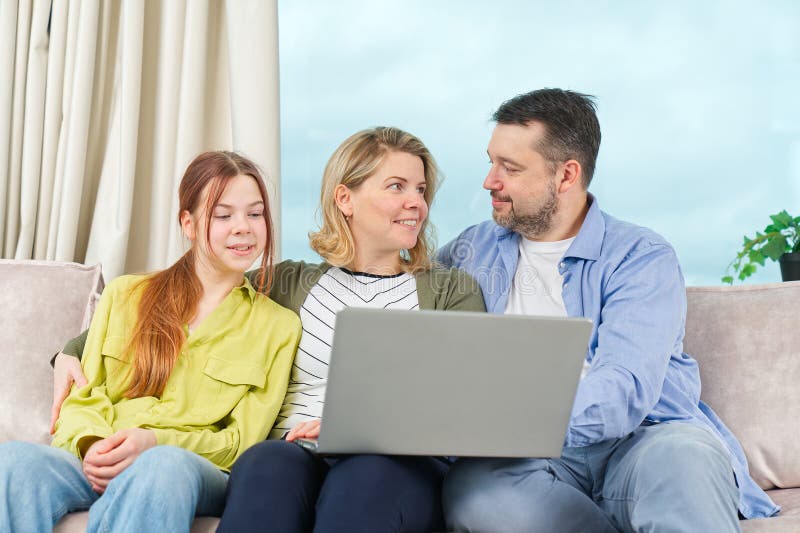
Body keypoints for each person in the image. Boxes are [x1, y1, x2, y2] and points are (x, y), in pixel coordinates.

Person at [52, 127, 486, 532]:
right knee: (265, 465)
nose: (416, 202)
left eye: (421, 190)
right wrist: (70, 351)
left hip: (389, 458)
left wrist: (359, 425)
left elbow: (464, 399)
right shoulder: (287, 283)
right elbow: (176, 309)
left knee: (364, 478)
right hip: (291, 450)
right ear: (345, 199)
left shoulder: (448, 291)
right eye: (397, 186)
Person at [435, 88, 778, 532]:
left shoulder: (640, 255)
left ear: (566, 176)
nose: (489, 181)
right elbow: (402, 304)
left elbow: (625, 387)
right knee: (475, 492)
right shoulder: (468, 251)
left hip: (644, 441)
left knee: (684, 457)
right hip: (527, 461)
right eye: (491, 161)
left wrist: (510, 424)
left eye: (511, 168)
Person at [0, 151, 301, 532]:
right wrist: (92, 445)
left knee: (161, 466)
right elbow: (83, 398)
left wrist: (154, 442)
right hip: (99, 456)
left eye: (255, 214)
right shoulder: (127, 294)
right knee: (12, 463)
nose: (243, 227)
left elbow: (240, 442)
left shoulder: (279, 327)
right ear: (188, 224)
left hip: (188, 468)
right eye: (223, 215)